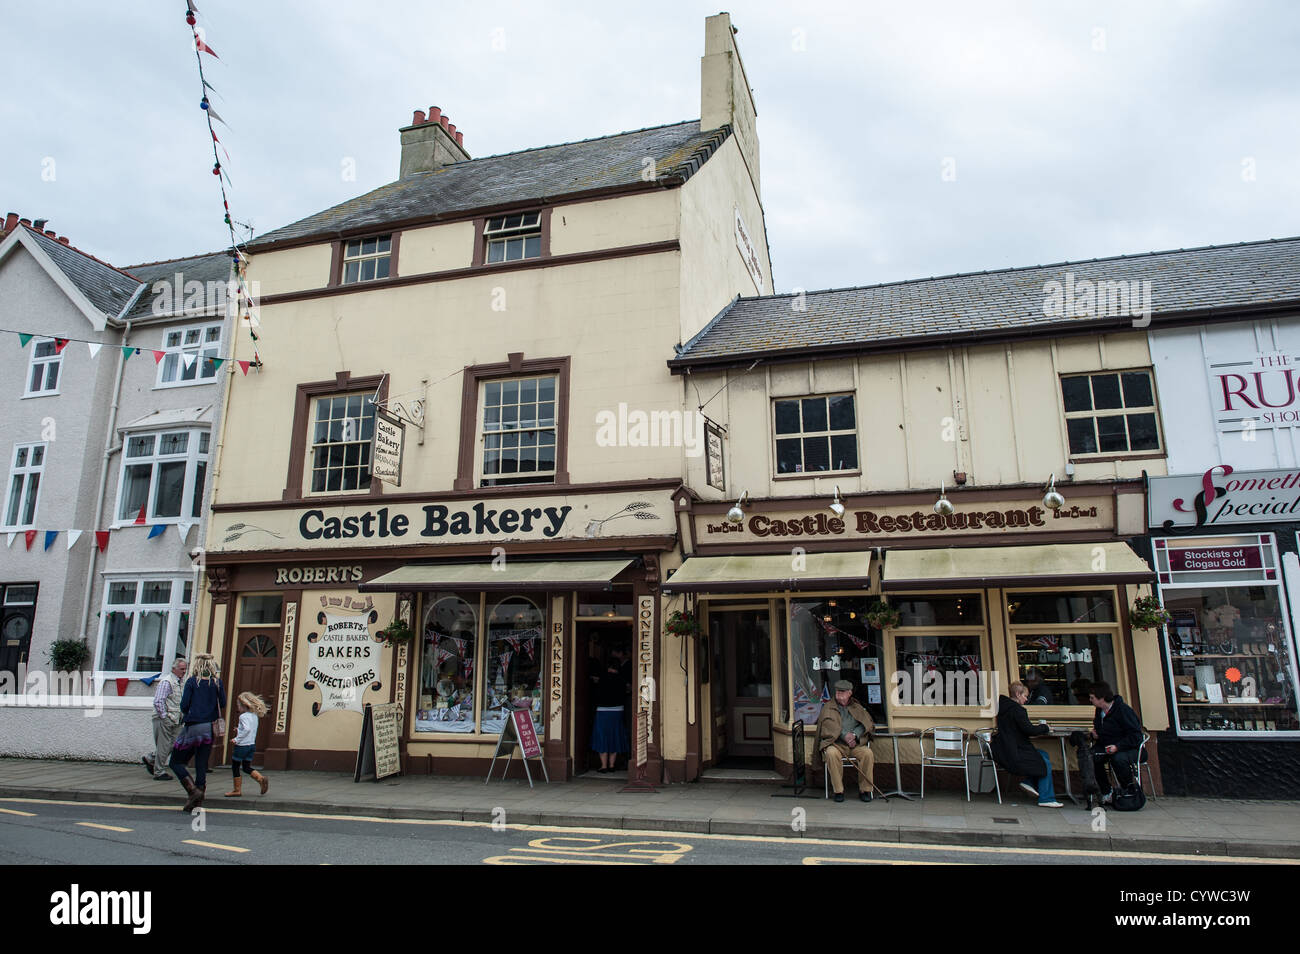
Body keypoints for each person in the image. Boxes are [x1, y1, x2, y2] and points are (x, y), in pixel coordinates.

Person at [990, 682, 1063, 807]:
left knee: (1043, 755)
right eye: (1025, 696)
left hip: (1004, 749)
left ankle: (1030, 782)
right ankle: (1046, 798)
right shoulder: (1018, 710)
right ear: (1018, 694)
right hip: (1015, 752)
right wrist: (1045, 727)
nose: (1026, 700)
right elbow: (1029, 730)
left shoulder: (1002, 708)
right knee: (1044, 762)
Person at [169, 652, 225, 812]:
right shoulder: (217, 682)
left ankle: (192, 791)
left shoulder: (192, 681)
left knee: (175, 762)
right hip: (209, 728)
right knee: (201, 763)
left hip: (193, 726)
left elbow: (184, 705)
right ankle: (198, 799)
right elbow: (223, 702)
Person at [816, 679, 877, 803]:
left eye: (842, 692)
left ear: (849, 693)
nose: (839, 694)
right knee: (831, 754)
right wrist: (845, 736)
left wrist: (854, 735)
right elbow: (828, 726)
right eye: (837, 691)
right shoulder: (829, 707)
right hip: (836, 744)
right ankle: (838, 791)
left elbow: (867, 724)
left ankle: (865, 790)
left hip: (855, 744)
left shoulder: (857, 706)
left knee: (867, 753)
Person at [1088, 681, 1143, 804]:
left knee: (1118, 759)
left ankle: (1128, 789)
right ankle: (1106, 791)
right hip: (1107, 746)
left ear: (1101, 698)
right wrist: (1095, 735)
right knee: (1091, 756)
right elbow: (1102, 730)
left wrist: (1118, 746)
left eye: (1092, 698)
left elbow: (1136, 736)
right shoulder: (1099, 711)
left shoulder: (1123, 711)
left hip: (1129, 748)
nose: (1090, 700)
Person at [143, 657, 186, 780]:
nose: (184, 671)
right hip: (164, 718)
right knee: (164, 745)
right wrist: (164, 716)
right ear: (174, 669)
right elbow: (158, 701)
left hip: (176, 718)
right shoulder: (167, 682)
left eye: (185, 669)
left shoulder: (180, 682)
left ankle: (152, 758)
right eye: (182, 669)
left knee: (175, 743)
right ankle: (159, 772)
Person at [225, 692, 270, 797]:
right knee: (246, 767)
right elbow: (249, 729)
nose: (237, 707)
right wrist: (238, 730)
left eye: (238, 705)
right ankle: (261, 779)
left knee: (235, 766)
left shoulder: (243, 716)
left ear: (244, 705)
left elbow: (247, 729)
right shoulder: (254, 716)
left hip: (242, 746)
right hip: (251, 745)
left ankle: (237, 790)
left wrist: (236, 739)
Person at [590, 654, 628, 773]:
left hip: (602, 711)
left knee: (602, 737)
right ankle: (612, 765)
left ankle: (603, 766)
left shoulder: (602, 679)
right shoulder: (622, 680)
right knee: (615, 737)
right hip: (617, 711)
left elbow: (595, 695)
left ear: (608, 666)